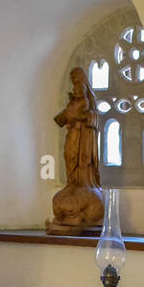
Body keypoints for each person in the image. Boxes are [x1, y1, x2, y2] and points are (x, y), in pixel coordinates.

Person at [46, 67, 105, 231]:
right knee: (69, 156)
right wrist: (69, 115)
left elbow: (92, 117)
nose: (76, 86)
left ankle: (83, 184)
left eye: (78, 81)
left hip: (84, 138)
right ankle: (72, 182)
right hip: (72, 136)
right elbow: (61, 119)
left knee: (80, 161)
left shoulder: (87, 100)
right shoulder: (73, 101)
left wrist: (77, 116)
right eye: (74, 83)